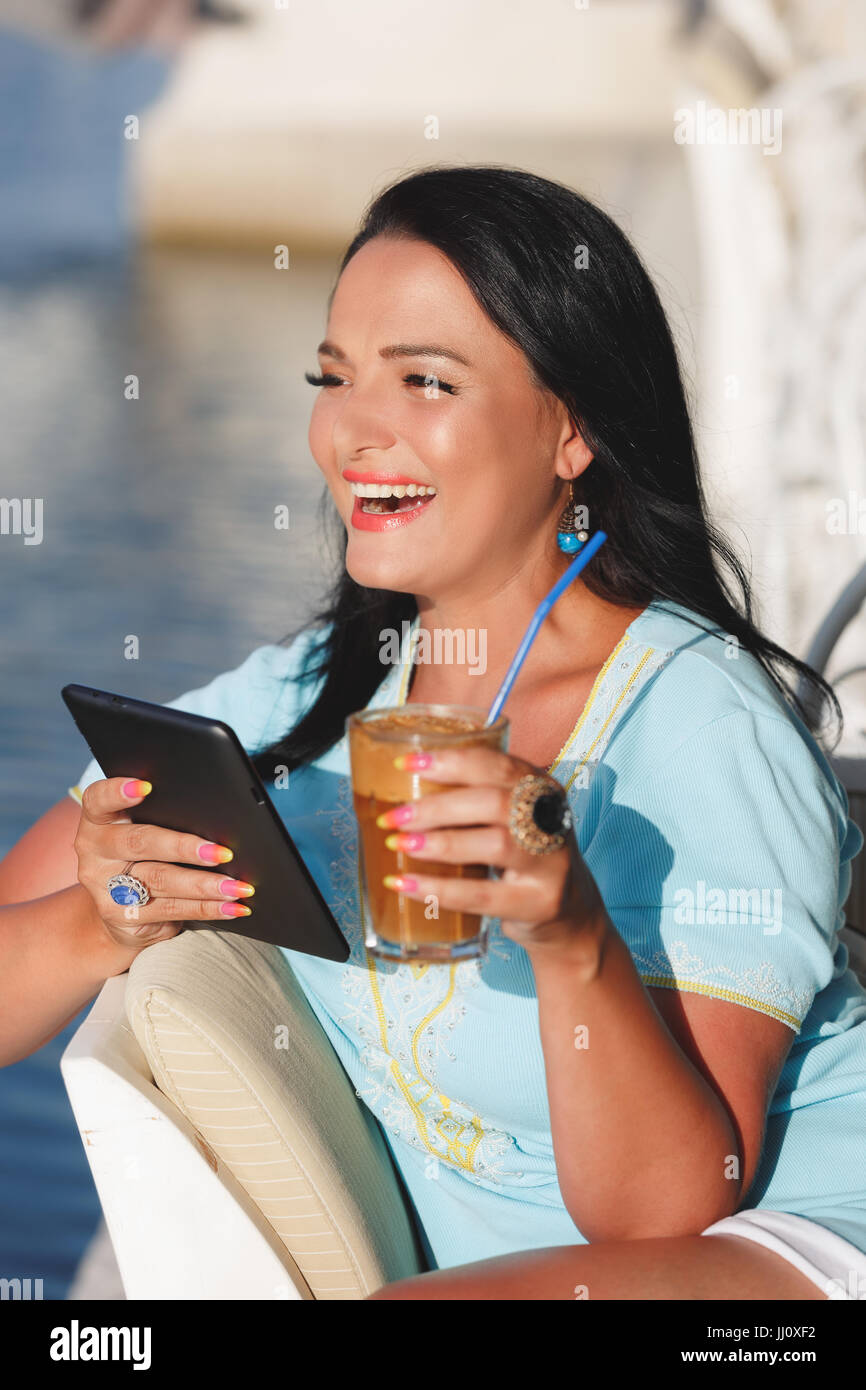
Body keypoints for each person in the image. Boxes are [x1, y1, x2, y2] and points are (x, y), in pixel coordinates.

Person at [2, 165, 865, 1301]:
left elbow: (665, 1204)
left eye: (423, 380)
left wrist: (569, 939)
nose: (352, 430)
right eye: (334, 375)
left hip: (784, 1245)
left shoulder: (700, 731)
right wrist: (102, 915)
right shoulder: (308, 699)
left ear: (573, 430)